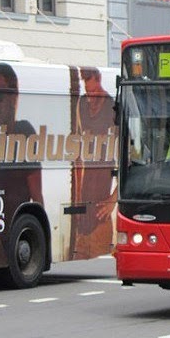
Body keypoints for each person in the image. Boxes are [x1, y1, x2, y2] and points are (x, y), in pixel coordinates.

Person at [70, 66, 117, 259]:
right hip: (83, 220)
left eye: (94, 92)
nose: (91, 99)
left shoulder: (111, 106)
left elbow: (131, 157)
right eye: (87, 93)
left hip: (100, 217)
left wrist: (114, 198)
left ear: (99, 80)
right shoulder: (82, 104)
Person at [0, 63, 44, 220]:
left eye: (0, 97)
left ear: (13, 98)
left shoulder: (24, 132)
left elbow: (37, 195)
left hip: (11, 222)